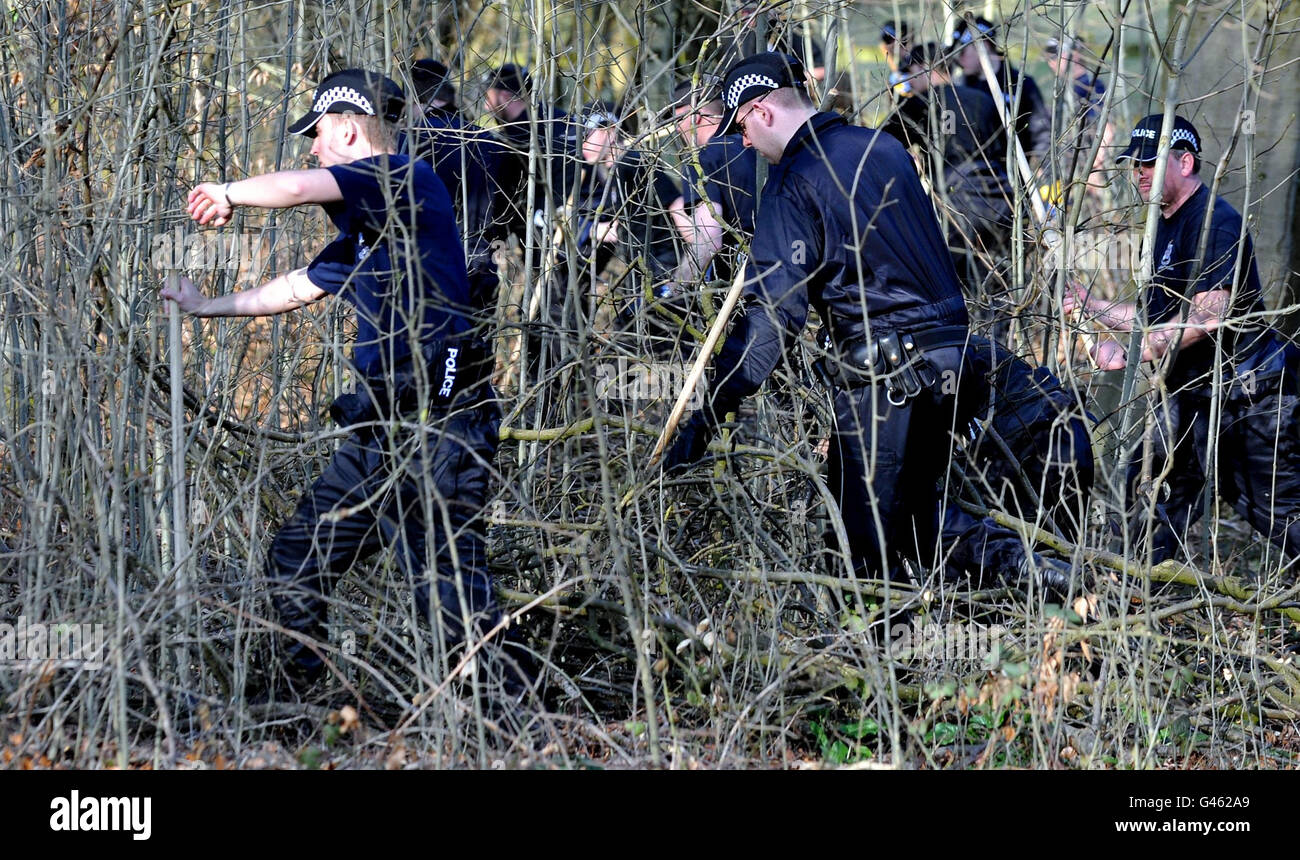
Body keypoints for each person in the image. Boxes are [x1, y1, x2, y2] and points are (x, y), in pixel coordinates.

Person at [161, 69, 534, 703]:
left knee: (447, 592)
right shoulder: (370, 228)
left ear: (351, 128)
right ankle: (299, 710)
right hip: (380, 429)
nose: (310, 147)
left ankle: (509, 726)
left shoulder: (406, 181)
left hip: (442, 427)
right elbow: (298, 286)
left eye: (317, 134)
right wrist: (209, 306)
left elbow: (303, 185)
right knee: (297, 558)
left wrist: (227, 191)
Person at [663, 52, 1071, 593]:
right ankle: (1037, 576)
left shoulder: (793, 184)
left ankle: (881, 663)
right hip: (953, 362)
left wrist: (704, 418)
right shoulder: (883, 148)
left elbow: (769, 327)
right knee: (921, 525)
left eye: (740, 126)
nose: (741, 143)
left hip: (886, 381)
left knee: (862, 554)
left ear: (761, 112)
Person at [1064, 114, 1300, 566]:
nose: (1140, 173)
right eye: (1135, 164)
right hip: (1190, 393)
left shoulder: (1215, 223)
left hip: (1249, 396)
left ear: (1185, 162)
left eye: (1150, 163)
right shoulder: (1164, 226)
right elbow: (1158, 317)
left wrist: (1138, 350)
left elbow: (1206, 319)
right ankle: (1134, 597)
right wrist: (1092, 307)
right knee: (1148, 490)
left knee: (1277, 511)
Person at [880, 43, 1013, 296]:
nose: (908, 80)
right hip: (1001, 200)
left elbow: (881, 147)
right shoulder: (983, 99)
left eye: (910, 71)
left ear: (924, 68)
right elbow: (1006, 152)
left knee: (952, 287)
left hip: (955, 203)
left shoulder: (921, 102)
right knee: (997, 288)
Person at [405, 58, 505, 313]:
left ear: (414, 97)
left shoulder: (410, 142)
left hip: (425, 266)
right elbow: (508, 208)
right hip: (483, 262)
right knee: (476, 346)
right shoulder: (487, 140)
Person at [666, 76, 758, 284]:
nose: (677, 129)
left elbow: (708, 241)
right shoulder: (760, 148)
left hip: (740, 282)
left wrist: (675, 289)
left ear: (694, 117)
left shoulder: (702, 160)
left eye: (676, 120)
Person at [950, 16, 1051, 167]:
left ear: (982, 45)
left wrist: (1047, 176)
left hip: (1018, 179)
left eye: (962, 51)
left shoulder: (1021, 84)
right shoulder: (960, 91)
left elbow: (1042, 134)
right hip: (975, 182)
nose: (958, 60)